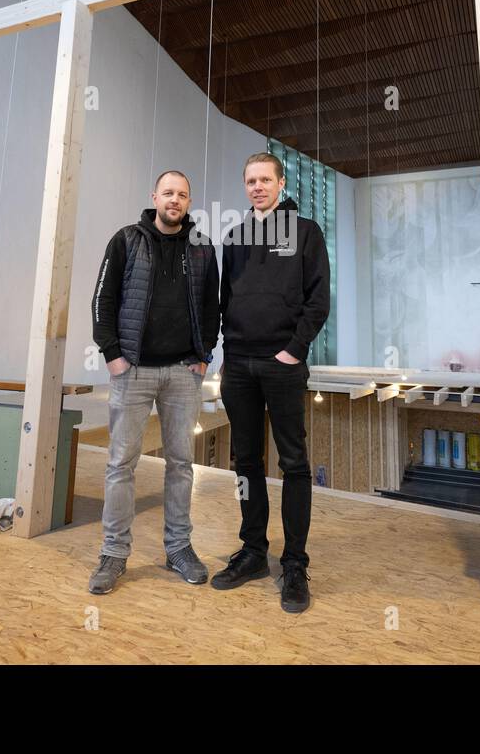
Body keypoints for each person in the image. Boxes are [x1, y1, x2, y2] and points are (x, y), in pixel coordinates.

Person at [87, 170, 220, 594]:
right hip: (134, 371)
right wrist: (113, 355)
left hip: (183, 373)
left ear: (188, 201)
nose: (175, 200)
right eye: (168, 193)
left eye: (182, 194)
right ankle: (113, 554)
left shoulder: (201, 248)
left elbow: (213, 304)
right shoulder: (127, 240)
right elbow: (102, 300)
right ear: (155, 197)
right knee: (120, 465)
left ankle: (179, 549)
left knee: (181, 465)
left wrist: (204, 354)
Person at [212, 152, 329, 613]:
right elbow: (224, 302)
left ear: (280, 183)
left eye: (265, 179)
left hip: (282, 364)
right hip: (239, 366)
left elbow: (318, 301)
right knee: (245, 462)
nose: (258, 187)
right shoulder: (235, 238)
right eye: (250, 181)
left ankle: (295, 563)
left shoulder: (305, 232)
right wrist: (226, 353)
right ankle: (254, 552)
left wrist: (293, 350)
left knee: (294, 462)